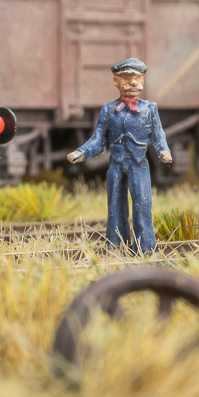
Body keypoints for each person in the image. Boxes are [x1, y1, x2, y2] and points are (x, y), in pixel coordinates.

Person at [67, 57, 172, 253]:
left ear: (143, 80)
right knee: (115, 206)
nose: (132, 82)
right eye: (126, 78)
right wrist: (81, 152)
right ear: (116, 81)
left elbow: (158, 137)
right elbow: (98, 139)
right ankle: (116, 244)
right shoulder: (108, 110)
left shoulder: (150, 109)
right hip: (115, 165)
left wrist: (164, 151)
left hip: (138, 164)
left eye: (137, 78)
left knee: (142, 205)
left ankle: (145, 247)